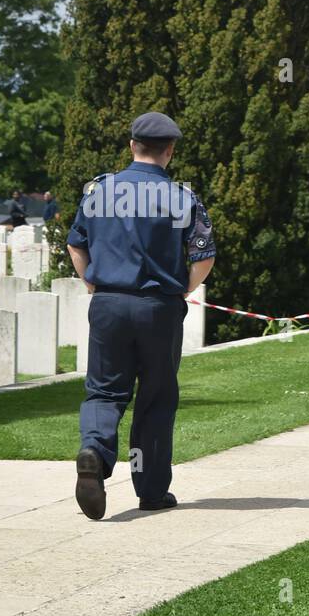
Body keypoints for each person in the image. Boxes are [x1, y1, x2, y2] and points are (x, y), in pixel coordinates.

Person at [66, 111, 215, 520]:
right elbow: (204, 255)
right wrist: (181, 289)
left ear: (132, 145)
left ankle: (94, 449)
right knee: (155, 398)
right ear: (169, 151)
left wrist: (93, 285)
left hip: (109, 304)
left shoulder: (98, 191)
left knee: (104, 392)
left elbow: (76, 245)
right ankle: (150, 490)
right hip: (159, 307)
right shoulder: (183, 197)